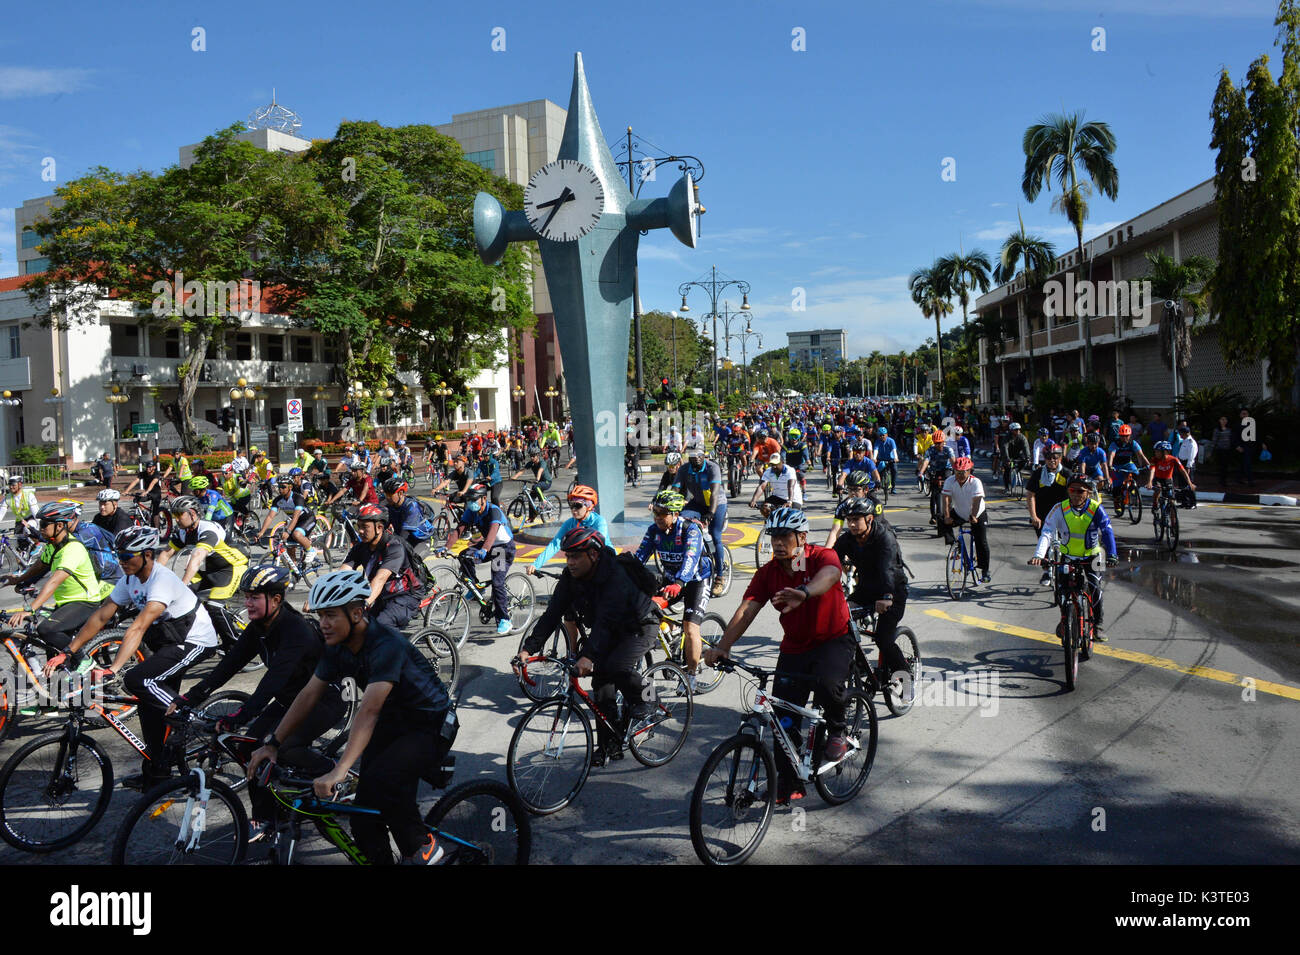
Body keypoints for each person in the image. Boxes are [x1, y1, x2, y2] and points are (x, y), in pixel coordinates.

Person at [247, 569, 454, 864]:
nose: (324, 624)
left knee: (386, 784)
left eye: (331, 615)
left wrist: (340, 769)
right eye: (320, 616)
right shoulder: (336, 646)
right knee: (363, 817)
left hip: (428, 722)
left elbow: (368, 711)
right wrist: (273, 743)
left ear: (356, 613)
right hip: (393, 720)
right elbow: (308, 694)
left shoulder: (386, 645)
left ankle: (427, 849)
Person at [172, 565, 345, 837]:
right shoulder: (259, 627)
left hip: (324, 701)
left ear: (276, 600)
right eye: (246, 596)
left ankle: (333, 772)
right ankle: (268, 817)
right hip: (290, 701)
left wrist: (238, 717)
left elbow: (272, 682)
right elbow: (228, 665)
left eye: (254, 597)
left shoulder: (295, 630)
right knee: (250, 750)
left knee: (285, 747)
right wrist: (190, 697)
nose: (247, 603)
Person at [703, 507, 855, 805]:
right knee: (782, 719)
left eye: (785, 536)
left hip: (833, 639)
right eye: (773, 536)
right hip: (795, 646)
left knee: (827, 686)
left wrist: (805, 592)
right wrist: (723, 646)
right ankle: (789, 783)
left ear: (802, 536)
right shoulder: (768, 573)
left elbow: (831, 574)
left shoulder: (820, 556)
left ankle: (838, 729)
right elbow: (747, 609)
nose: (778, 543)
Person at [49, 526, 219, 790]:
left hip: (194, 641)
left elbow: (138, 627)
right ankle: (157, 774)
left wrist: (114, 668)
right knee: (148, 706)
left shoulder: (161, 580)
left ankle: (186, 715)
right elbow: (102, 616)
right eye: (119, 555)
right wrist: (69, 651)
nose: (121, 560)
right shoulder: (129, 580)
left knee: (137, 679)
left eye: (127, 555)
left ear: (147, 554)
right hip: (168, 642)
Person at [515, 527, 658, 764]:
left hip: (640, 625)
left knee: (616, 667)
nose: (569, 562)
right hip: (611, 629)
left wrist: (588, 656)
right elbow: (552, 615)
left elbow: (605, 622)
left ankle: (651, 698)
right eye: (567, 556)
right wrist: (528, 649)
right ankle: (610, 745)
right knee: (601, 687)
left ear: (593, 554)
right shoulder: (571, 578)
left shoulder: (615, 576)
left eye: (575, 556)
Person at [3, 500, 114, 652]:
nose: (40, 528)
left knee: (47, 629)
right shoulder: (53, 545)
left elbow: (54, 581)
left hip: (84, 601)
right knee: (51, 648)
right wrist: (17, 579)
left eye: (44, 525)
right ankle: (66, 673)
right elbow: (40, 565)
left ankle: (82, 659)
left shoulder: (73, 549)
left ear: (60, 526)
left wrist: (31, 609)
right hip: (66, 601)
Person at [832, 496, 911, 692]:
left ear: (869, 519)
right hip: (867, 589)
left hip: (893, 590)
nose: (851, 524)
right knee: (842, 620)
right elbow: (832, 559)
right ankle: (859, 667)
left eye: (855, 519)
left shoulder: (884, 537)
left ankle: (906, 678)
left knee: (883, 639)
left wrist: (886, 597)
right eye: (849, 520)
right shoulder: (849, 539)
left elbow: (888, 570)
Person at [634, 490, 713, 683]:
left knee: (691, 627)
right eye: (655, 512)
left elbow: (691, 558)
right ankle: (671, 629)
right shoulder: (654, 531)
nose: (658, 517)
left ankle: (692, 675)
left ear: (675, 514)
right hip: (671, 580)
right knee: (647, 607)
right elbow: (639, 558)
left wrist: (679, 583)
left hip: (696, 579)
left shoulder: (690, 529)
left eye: (663, 513)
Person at [1028, 476, 1119, 640]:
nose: (1076, 494)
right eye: (1072, 490)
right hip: (1068, 556)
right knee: (1061, 590)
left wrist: (1112, 554)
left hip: (1092, 555)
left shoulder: (1096, 508)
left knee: (1095, 588)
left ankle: (1098, 624)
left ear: (1088, 492)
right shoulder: (1059, 508)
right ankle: (1065, 620)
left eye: (1081, 491)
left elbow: (1107, 531)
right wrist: (1039, 555)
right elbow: (1047, 532)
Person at [441, 483, 515, 635]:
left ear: (483, 498)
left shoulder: (494, 511)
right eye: (469, 500)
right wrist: (446, 547)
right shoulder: (471, 511)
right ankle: (476, 586)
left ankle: (504, 619)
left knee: (497, 582)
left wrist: (484, 549)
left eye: (473, 500)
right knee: (464, 555)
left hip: (502, 547)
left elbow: (493, 532)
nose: (470, 503)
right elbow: (459, 530)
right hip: (486, 545)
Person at [339, 504, 422, 631]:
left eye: (365, 527)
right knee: (358, 626)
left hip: (404, 596)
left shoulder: (394, 547)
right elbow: (342, 573)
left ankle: (398, 650)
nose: (360, 531)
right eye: (358, 526)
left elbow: (380, 579)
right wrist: (320, 597)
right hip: (383, 595)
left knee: (381, 626)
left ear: (379, 528)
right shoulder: (361, 547)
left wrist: (364, 604)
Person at [675, 447, 729, 597]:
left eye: (699, 456)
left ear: (703, 457)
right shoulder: (685, 469)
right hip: (698, 502)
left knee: (715, 535)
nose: (696, 459)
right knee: (681, 521)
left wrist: (710, 514)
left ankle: (719, 576)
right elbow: (675, 489)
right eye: (693, 457)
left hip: (716, 503)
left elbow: (715, 493)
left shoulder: (713, 467)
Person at [527, 484, 608, 575]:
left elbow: (600, 547)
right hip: (583, 565)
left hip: (604, 563)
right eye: (571, 505)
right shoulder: (569, 523)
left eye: (577, 506)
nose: (573, 510)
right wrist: (536, 565)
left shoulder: (599, 522)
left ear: (589, 506)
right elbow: (554, 545)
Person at [940, 456, 991, 583]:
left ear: (969, 471)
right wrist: (947, 516)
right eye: (957, 472)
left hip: (977, 513)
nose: (960, 475)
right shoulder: (950, 481)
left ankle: (985, 571)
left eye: (963, 472)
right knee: (940, 519)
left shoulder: (975, 482)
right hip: (959, 512)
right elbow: (946, 499)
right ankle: (953, 545)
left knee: (981, 541)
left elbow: (977, 500)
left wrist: (973, 516)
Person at [1026, 445, 1071, 584]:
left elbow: (1074, 495)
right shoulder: (1038, 474)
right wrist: (1034, 516)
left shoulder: (1066, 474)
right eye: (1049, 458)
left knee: (1067, 543)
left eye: (1055, 457)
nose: (1052, 460)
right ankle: (1046, 571)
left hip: (1063, 513)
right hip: (1042, 514)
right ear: (1044, 459)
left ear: (1060, 458)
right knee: (1043, 542)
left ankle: (1065, 569)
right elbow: (1030, 495)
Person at [260, 476, 322, 566]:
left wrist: (288, 531)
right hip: (295, 521)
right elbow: (270, 517)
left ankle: (311, 550)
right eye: (279, 487)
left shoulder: (297, 498)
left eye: (283, 487)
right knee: (289, 545)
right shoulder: (278, 500)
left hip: (308, 519)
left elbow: (295, 517)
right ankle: (294, 569)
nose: (280, 489)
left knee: (296, 534)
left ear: (290, 487)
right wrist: (261, 532)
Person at [382, 477, 434, 553]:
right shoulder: (390, 506)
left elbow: (404, 534)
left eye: (390, 495)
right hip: (408, 538)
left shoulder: (412, 507)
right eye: (386, 495)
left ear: (400, 493)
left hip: (423, 539)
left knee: (412, 560)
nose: (387, 498)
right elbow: (384, 526)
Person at [1107, 424, 1149, 506]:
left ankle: (1132, 488)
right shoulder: (1115, 443)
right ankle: (1117, 503)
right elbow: (1111, 455)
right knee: (1117, 487)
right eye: (1122, 436)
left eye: (1127, 436)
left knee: (1136, 472)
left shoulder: (1133, 443)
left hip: (1128, 463)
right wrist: (1110, 466)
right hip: (1116, 465)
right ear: (1119, 436)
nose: (1124, 438)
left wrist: (1147, 465)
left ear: (1130, 435)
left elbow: (1141, 454)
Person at [1145, 441, 1197, 508]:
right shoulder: (1154, 459)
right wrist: (1150, 482)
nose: (1155, 453)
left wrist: (1190, 483)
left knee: (1172, 501)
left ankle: (1173, 518)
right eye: (1155, 451)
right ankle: (1155, 503)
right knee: (1158, 490)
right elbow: (1152, 470)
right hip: (1158, 479)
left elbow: (1183, 471)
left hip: (1168, 480)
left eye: (1158, 451)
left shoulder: (1173, 459)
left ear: (1165, 452)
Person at [918, 431, 955, 523]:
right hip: (935, 470)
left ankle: (949, 510)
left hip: (946, 469)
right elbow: (926, 462)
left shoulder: (948, 449)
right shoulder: (930, 450)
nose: (938, 445)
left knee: (948, 485)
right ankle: (933, 516)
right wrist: (921, 472)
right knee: (934, 493)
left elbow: (953, 462)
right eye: (936, 443)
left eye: (940, 443)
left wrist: (957, 473)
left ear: (943, 442)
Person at [510, 446, 553, 522]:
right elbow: (523, 470)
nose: (532, 457)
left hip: (547, 482)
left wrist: (537, 479)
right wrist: (515, 476)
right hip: (539, 482)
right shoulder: (531, 463)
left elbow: (540, 471)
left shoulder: (542, 462)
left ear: (537, 455)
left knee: (536, 486)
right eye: (531, 456)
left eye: (533, 456)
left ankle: (544, 502)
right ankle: (531, 517)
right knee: (531, 498)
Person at [1234, 407, 1257, 486]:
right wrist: (1237, 446)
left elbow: (1255, 436)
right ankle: (1249, 480)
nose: (1244, 415)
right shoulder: (1237, 425)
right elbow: (1234, 436)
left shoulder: (1251, 424)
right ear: (1240, 415)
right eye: (1243, 414)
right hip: (1241, 447)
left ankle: (1240, 479)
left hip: (1250, 447)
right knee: (1244, 464)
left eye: (1246, 414)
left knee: (1246, 464)